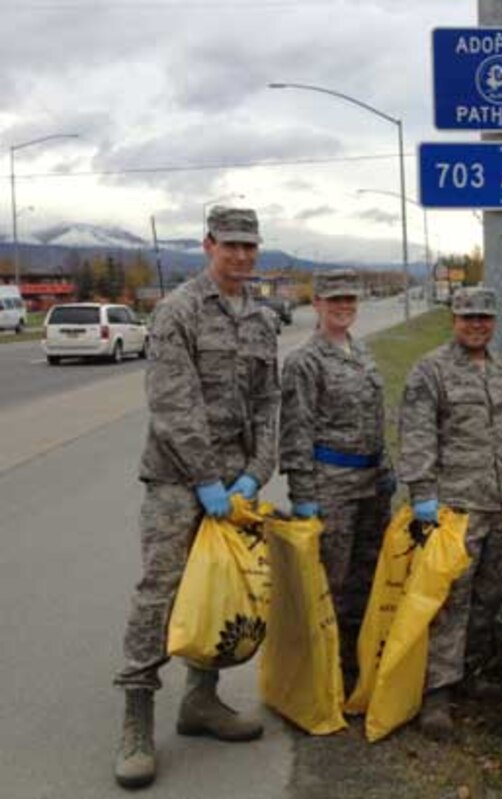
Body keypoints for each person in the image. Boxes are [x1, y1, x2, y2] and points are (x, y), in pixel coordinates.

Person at [113, 206, 279, 789]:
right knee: (160, 593)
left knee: (223, 593)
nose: (241, 255)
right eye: (230, 244)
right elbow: (171, 404)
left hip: (234, 485)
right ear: (208, 244)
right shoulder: (178, 311)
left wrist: (257, 473)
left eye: (249, 245)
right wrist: (205, 479)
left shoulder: (260, 317)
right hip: (176, 482)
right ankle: (136, 717)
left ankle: (201, 702)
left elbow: (268, 403)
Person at [396, 285, 502, 738]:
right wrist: (422, 492)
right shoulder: (431, 371)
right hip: (454, 508)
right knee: (451, 599)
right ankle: (437, 694)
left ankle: (472, 671)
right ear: (454, 321)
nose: (477, 324)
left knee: (491, 593)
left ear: (494, 322)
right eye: (468, 318)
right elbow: (418, 435)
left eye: (484, 317)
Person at [279, 269, 394, 693]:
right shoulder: (304, 361)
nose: (344, 307)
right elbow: (295, 432)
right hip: (330, 486)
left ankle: (352, 664)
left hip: (369, 483)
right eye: (335, 300)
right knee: (329, 584)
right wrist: (303, 496)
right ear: (318, 304)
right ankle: (316, 676)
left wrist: (384, 469)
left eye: (350, 299)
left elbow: (375, 418)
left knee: (365, 580)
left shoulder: (360, 353)